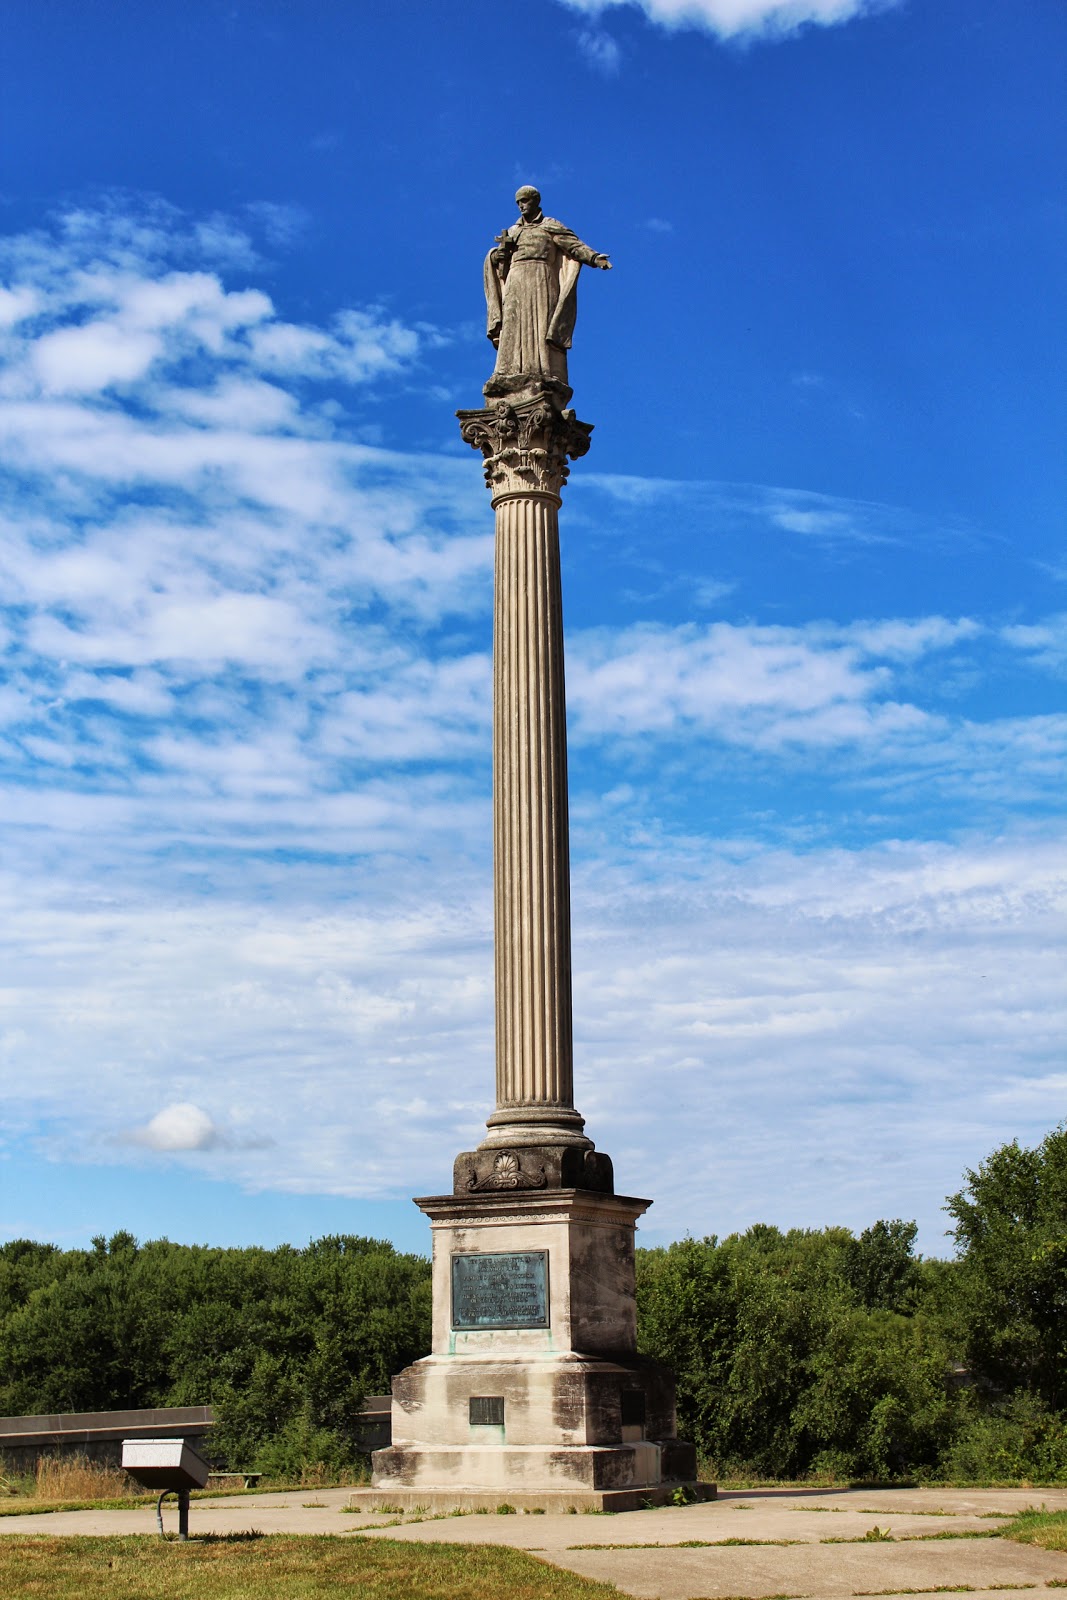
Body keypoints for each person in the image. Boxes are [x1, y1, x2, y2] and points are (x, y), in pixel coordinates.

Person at [484, 186, 611, 394]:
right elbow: (499, 262)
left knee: (541, 324)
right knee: (513, 323)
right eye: (518, 202)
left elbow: (574, 246)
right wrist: (496, 258)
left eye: (524, 201)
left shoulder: (550, 226)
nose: (521, 206)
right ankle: (507, 370)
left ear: (535, 201)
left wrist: (595, 258)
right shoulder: (513, 231)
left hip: (541, 278)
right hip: (516, 279)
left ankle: (541, 370)